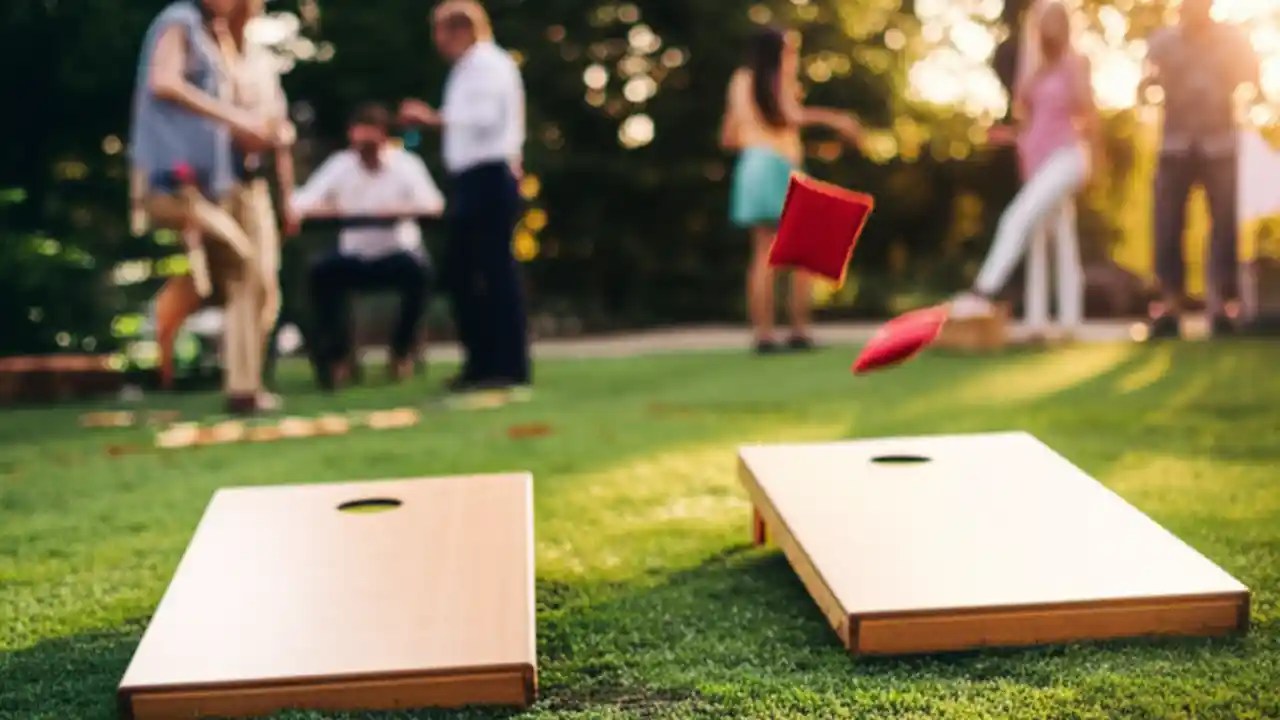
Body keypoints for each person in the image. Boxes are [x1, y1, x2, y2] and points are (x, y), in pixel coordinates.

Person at [130, 0, 290, 414]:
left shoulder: (208, 35)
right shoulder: (178, 18)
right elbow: (163, 81)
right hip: (167, 183)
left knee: (244, 276)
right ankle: (241, 387)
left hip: (198, 188)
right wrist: (235, 117)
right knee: (244, 268)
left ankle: (243, 388)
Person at [398, 0, 530, 392]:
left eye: (440, 33)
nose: (437, 43)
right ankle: (484, 364)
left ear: (460, 30)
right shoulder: (471, 68)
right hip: (477, 178)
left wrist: (433, 119)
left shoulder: (486, 65)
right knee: (469, 273)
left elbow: (485, 121)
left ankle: (502, 366)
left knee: (488, 273)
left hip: (486, 177)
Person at [952, 1, 1099, 339]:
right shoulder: (1033, 69)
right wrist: (1007, 137)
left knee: (1018, 218)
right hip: (1037, 161)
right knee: (1051, 237)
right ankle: (1051, 322)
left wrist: (1096, 161)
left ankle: (982, 291)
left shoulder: (1076, 64)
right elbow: (1029, 122)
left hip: (1068, 157)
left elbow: (1088, 114)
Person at [718, 27, 863, 354]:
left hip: (751, 166)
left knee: (761, 255)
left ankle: (764, 335)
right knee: (801, 253)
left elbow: (728, 136)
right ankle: (799, 331)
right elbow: (791, 116)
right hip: (779, 166)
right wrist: (837, 120)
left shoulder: (740, 80)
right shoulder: (776, 77)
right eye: (790, 50)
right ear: (778, 52)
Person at [292, 103, 446, 388]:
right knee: (319, 274)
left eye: (370, 146)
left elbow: (434, 205)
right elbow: (300, 202)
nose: (363, 153)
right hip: (355, 256)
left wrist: (398, 210)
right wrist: (330, 209)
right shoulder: (341, 165)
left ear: (384, 139)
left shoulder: (406, 165)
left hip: (396, 254)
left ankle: (401, 351)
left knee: (420, 274)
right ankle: (338, 356)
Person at [1141, 0, 1260, 338]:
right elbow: (1146, 82)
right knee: (1167, 226)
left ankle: (1221, 304)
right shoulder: (1163, 41)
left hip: (1220, 143)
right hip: (1174, 144)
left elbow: (1252, 78)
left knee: (1224, 227)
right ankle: (1169, 304)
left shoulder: (1231, 39)